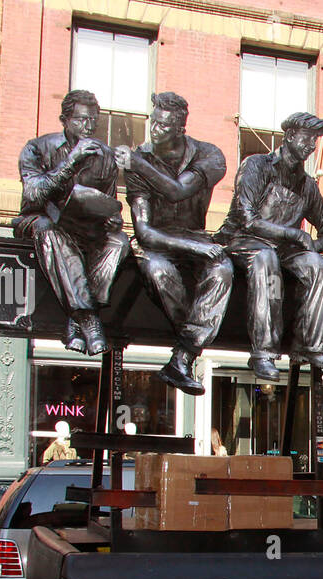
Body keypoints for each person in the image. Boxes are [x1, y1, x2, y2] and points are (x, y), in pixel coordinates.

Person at [118, 92, 233, 396]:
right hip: (158, 240)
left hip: (193, 234)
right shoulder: (139, 159)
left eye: (164, 127)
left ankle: (181, 358)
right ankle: (187, 349)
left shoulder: (209, 156)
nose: (155, 130)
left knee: (222, 269)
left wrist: (138, 165)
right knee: (159, 272)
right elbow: (144, 232)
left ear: (181, 128)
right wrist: (138, 165)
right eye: (152, 123)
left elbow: (179, 191)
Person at [218, 112, 323, 382]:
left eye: (315, 141)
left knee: (318, 266)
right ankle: (263, 352)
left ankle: (313, 346)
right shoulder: (257, 166)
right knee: (265, 259)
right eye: (307, 138)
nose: (311, 146)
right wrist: (294, 234)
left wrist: (313, 246)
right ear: (290, 136)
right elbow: (246, 218)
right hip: (245, 240)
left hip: (285, 250)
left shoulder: (307, 185)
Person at [14, 89, 129, 356]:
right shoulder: (37, 148)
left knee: (119, 242)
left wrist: (112, 218)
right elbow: (33, 194)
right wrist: (72, 160)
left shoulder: (105, 157)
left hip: (86, 229)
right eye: (80, 120)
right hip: (40, 223)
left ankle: (76, 318)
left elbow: (108, 202)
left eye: (93, 121)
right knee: (50, 231)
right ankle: (89, 320)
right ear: (64, 120)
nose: (88, 127)